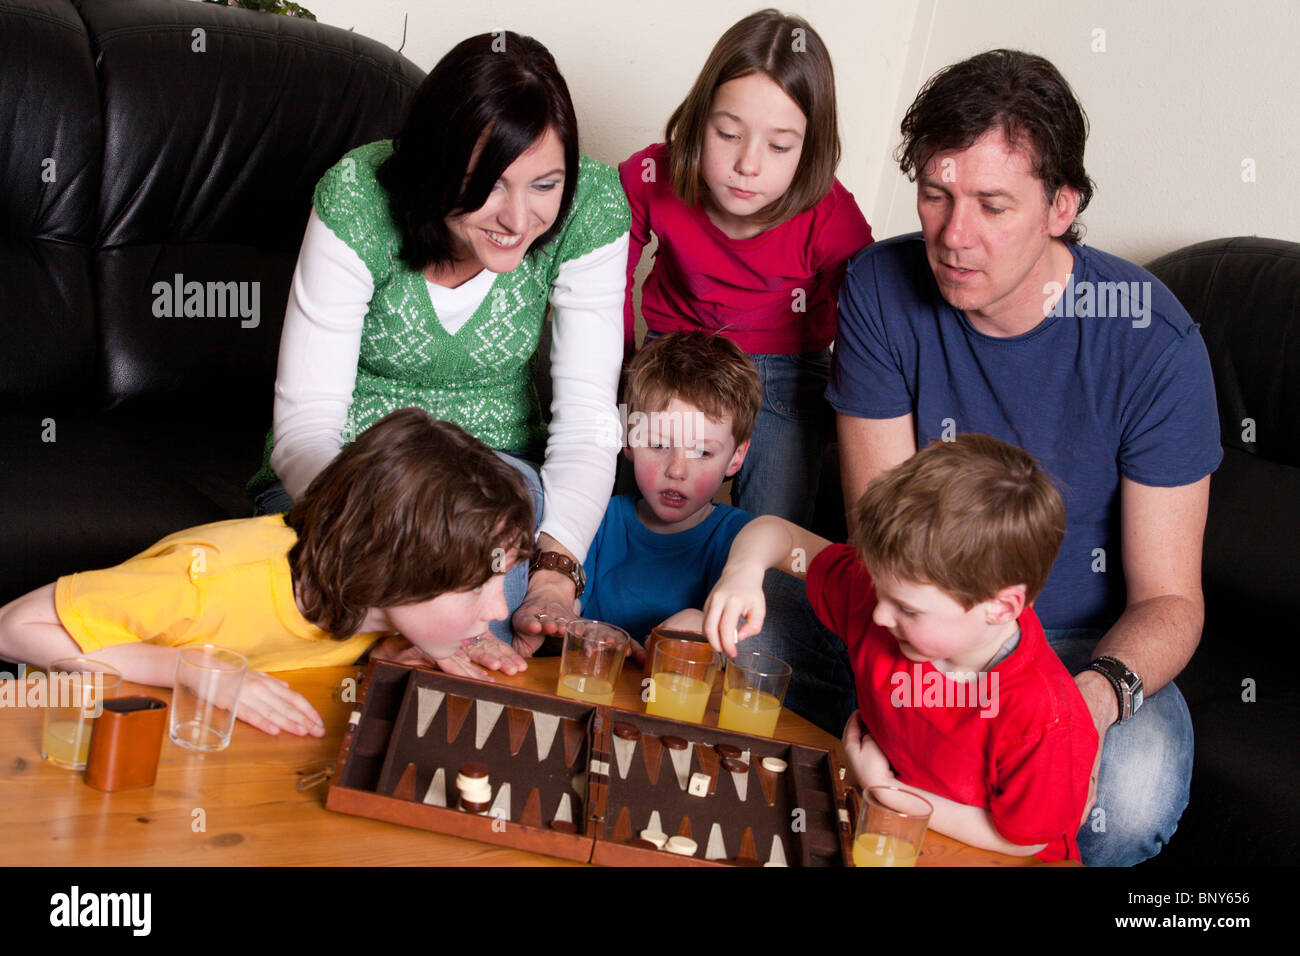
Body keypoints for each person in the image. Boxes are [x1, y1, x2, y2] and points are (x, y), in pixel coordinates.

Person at [829, 50, 1221, 865]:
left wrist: (1087, 701)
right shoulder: (876, 288)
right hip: (919, 621)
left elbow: (1172, 601)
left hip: (1079, 652)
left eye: (992, 205)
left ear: (1060, 205)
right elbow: (879, 539)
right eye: (935, 195)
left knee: (1128, 795)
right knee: (738, 635)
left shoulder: (1155, 342)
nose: (952, 235)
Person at [246, 32, 630, 667]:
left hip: (495, 483)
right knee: (356, 641)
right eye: (489, 185)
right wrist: (407, 569)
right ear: (434, 163)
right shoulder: (357, 196)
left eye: (544, 185)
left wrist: (554, 575)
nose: (517, 218)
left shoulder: (590, 208)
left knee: (482, 646)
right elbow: (306, 426)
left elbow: (588, 418)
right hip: (346, 481)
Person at [0, 410, 534, 737]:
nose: (501, 609)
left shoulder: (375, 602)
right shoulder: (209, 580)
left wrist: (386, 653)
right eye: (474, 589)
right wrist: (194, 669)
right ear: (389, 564)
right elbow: (13, 627)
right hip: (55, 730)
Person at [703, 435, 1098, 861]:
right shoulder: (883, 601)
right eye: (878, 588)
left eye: (908, 609)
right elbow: (778, 536)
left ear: (1001, 607)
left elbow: (1024, 839)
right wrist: (743, 572)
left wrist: (888, 792)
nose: (878, 617)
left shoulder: (1045, 714)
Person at [620, 9, 873, 526]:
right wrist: (622, 374)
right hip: (674, 351)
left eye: (779, 146)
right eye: (729, 134)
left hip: (785, 366)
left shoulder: (832, 217)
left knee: (772, 526)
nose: (748, 165)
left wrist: (840, 416)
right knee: (626, 501)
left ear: (810, 150)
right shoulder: (653, 175)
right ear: (699, 120)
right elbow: (605, 278)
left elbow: (868, 322)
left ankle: (763, 604)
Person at [580, 331, 761, 644]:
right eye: (659, 444)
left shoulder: (742, 540)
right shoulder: (596, 519)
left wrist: (698, 625)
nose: (677, 470)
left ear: (736, 457)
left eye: (702, 452)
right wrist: (574, 628)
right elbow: (560, 615)